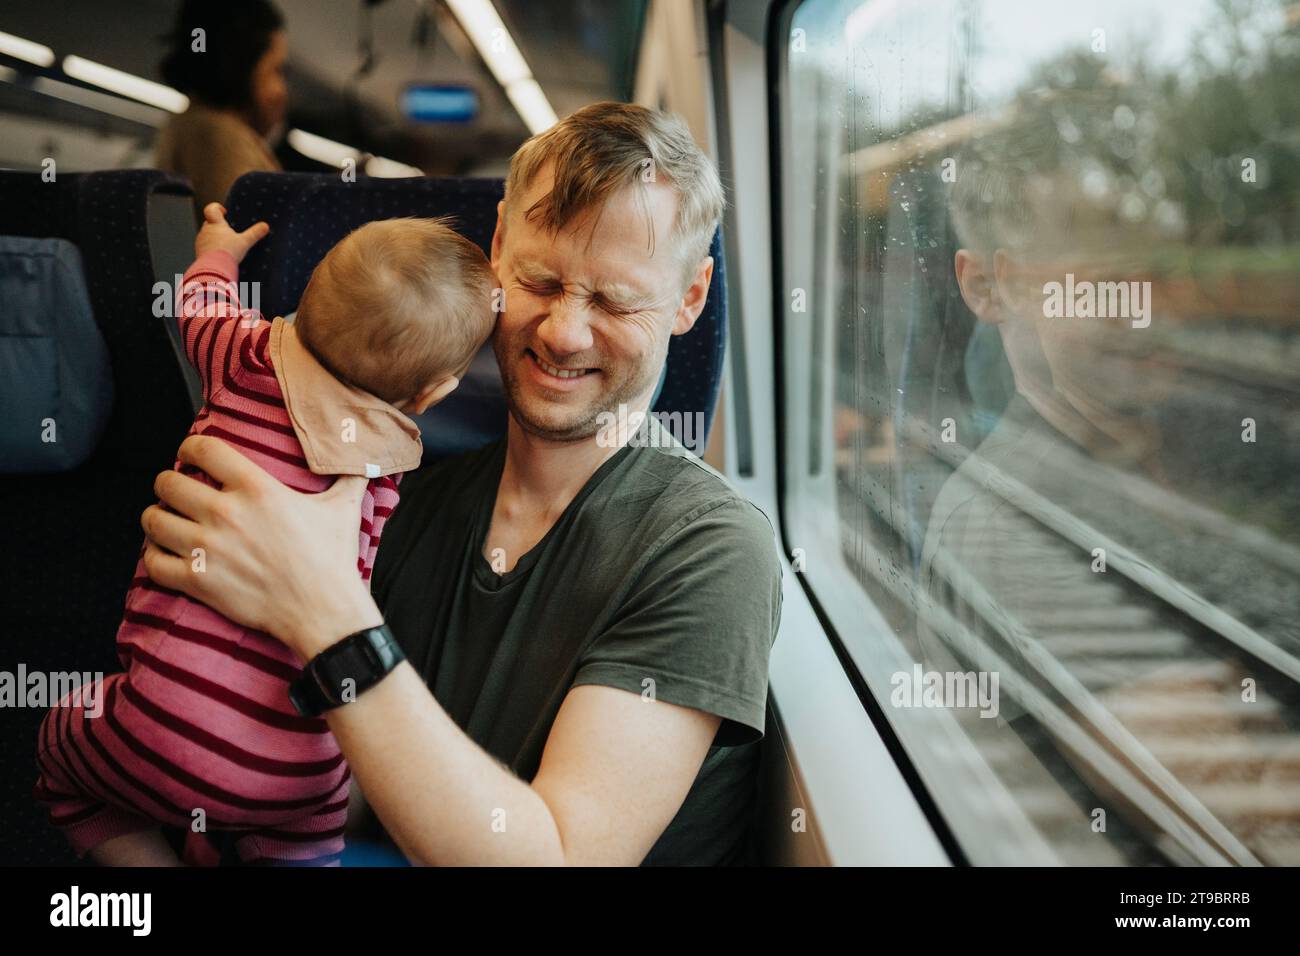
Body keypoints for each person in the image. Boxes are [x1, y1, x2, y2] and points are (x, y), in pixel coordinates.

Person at [126, 101, 784, 867]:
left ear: (690, 299)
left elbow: (557, 858)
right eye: (540, 279)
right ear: (499, 244)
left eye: (616, 300)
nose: (565, 332)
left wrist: (320, 609)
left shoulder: (710, 547)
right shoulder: (398, 501)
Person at [32, 203, 496, 866]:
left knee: (60, 756)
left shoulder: (244, 354)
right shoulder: (384, 474)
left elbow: (201, 297)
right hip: (296, 776)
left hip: (154, 730)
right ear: (431, 394)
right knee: (310, 833)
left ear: (306, 300)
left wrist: (219, 251)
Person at [154, 0, 288, 217]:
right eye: (275, 70)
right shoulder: (219, 134)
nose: (281, 89)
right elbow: (262, 234)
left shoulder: (191, 121)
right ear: (243, 67)